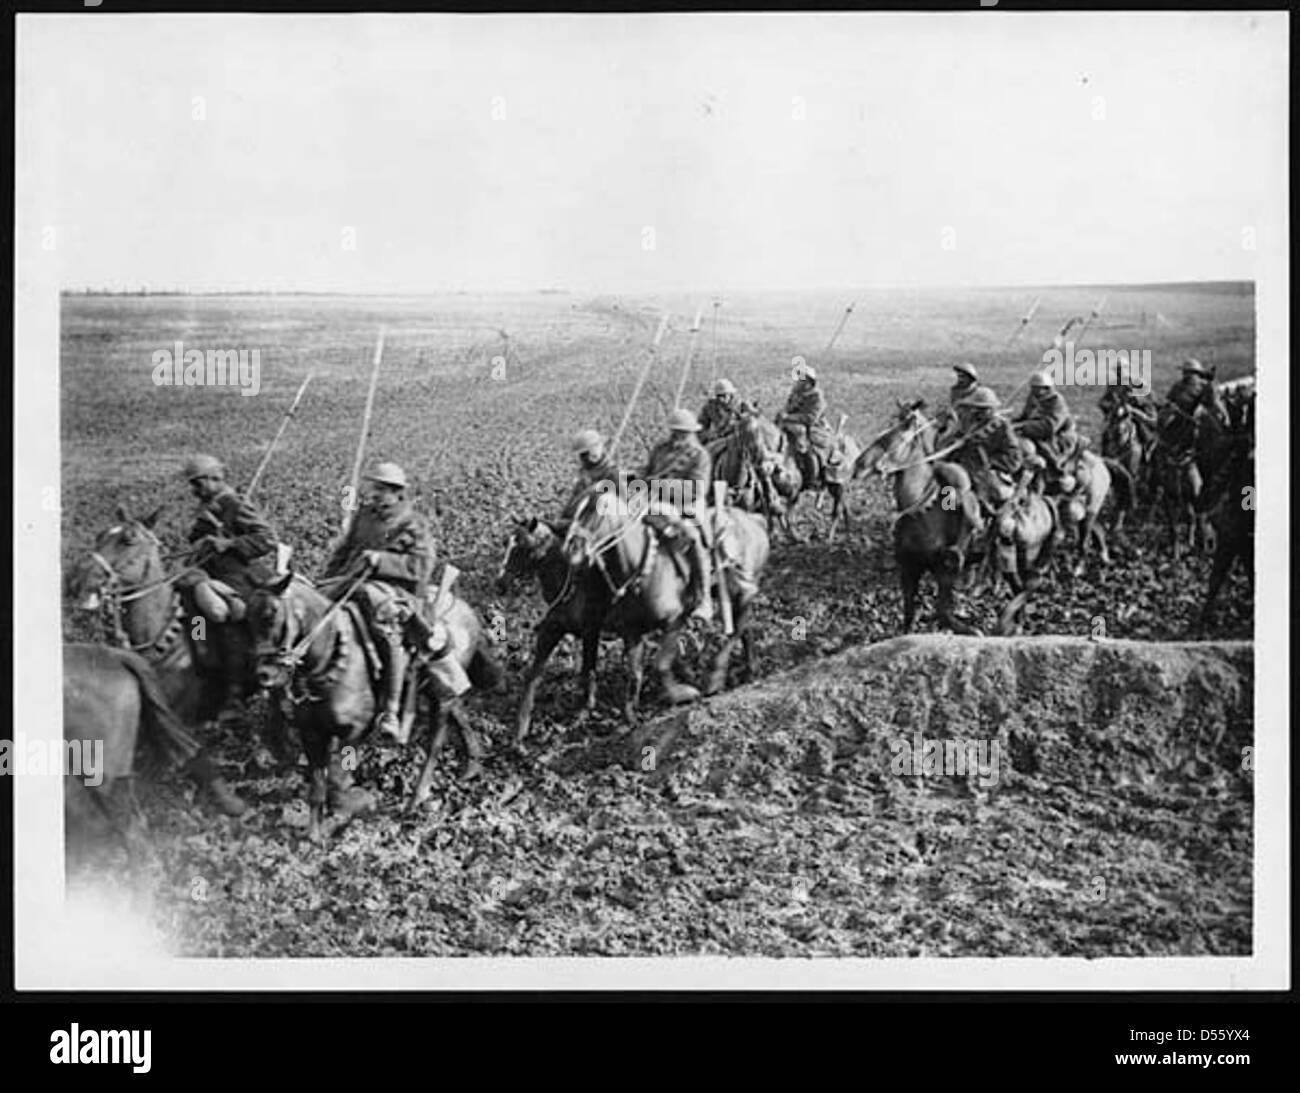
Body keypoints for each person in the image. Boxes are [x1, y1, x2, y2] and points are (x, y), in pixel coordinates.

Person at [321, 462, 465, 741]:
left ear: (397, 493)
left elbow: (422, 566)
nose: (373, 494)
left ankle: (390, 709)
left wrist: (381, 560)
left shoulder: (413, 523)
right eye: (372, 488)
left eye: (380, 490)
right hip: (353, 581)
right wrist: (328, 579)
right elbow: (346, 551)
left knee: (384, 622)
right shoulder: (363, 515)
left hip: (399, 592)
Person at [177, 454, 279, 701]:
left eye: (197, 484)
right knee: (194, 614)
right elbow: (196, 539)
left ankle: (239, 685)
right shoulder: (210, 506)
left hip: (240, 575)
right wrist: (201, 533)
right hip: (211, 573)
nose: (194, 490)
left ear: (214, 479)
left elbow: (267, 539)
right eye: (193, 484)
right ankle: (201, 657)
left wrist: (230, 543)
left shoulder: (235, 504)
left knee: (231, 622)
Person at [642, 408, 715, 622]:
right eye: (675, 432)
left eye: (683, 432)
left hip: (687, 503)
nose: (678, 436)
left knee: (692, 537)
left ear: (692, 432)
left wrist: (662, 485)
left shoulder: (700, 455)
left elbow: (697, 489)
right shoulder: (660, 449)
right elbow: (648, 472)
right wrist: (633, 477)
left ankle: (704, 599)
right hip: (657, 501)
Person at [775, 362, 837, 482]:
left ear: (809, 382)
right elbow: (788, 407)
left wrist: (788, 417)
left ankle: (811, 478)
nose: (798, 381)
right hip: (792, 424)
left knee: (806, 449)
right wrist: (782, 415)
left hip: (813, 428)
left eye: (802, 379)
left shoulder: (817, 397)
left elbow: (811, 418)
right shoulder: (796, 393)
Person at [1013, 371, 1078, 483]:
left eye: (1037, 388)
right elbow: (1026, 416)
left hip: (1057, 436)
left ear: (1046, 388)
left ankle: (1056, 471)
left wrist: (1023, 427)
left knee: (1043, 449)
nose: (1033, 390)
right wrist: (1011, 422)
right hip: (1035, 430)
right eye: (1033, 387)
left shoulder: (1057, 401)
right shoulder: (1033, 398)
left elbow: (1050, 426)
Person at [1158, 358, 1229, 451]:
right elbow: (1168, 400)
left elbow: (1215, 403)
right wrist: (1169, 407)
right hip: (1180, 418)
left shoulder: (1205, 386)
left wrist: (1224, 416)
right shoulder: (1178, 385)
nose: (1185, 374)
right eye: (1184, 372)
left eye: (1187, 372)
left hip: (1199, 420)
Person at [561, 428, 624, 521]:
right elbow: (573, 501)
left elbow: (623, 502)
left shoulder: (611, 473)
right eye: (582, 455)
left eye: (586, 454)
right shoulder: (584, 473)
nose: (583, 458)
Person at [698, 379, 756, 447]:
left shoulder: (742, 405)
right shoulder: (710, 407)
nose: (721, 399)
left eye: (724, 395)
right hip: (719, 440)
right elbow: (701, 427)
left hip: (739, 440)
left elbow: (754, 422)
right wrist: (709, 435)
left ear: (730, 394)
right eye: (719, 396)